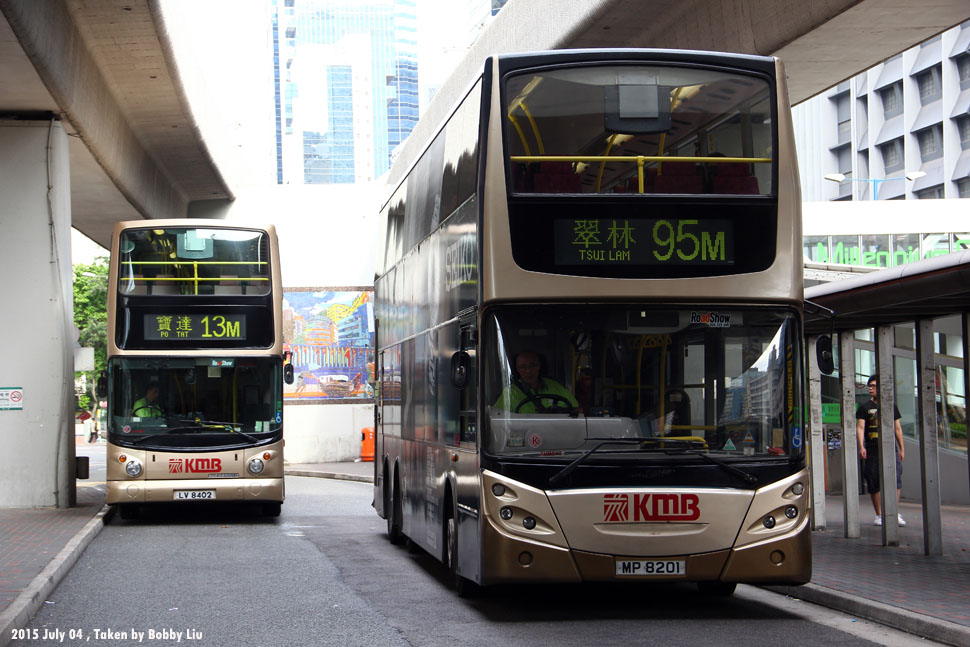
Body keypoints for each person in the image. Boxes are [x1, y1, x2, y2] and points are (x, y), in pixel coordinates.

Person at [855, 375, 906, 527]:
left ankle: (893, 512)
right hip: (872, 449)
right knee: (874, 481)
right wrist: (861, 446)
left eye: (874, 386)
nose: (870, 388)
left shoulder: (891, 406)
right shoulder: (864, 407)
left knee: (895, 480)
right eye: (869, 386)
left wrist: (902, 448)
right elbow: (860, 428)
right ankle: (879, 515)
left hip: (890, 449)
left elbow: (897, 428)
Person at [494, 350, 579, 414]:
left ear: (539, 366)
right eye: (523, 367)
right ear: (517, 369)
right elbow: (498, 418)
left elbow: (577, 410)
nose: (528, 371)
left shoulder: (554, 386)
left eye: (532, 365)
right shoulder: (509, 394)